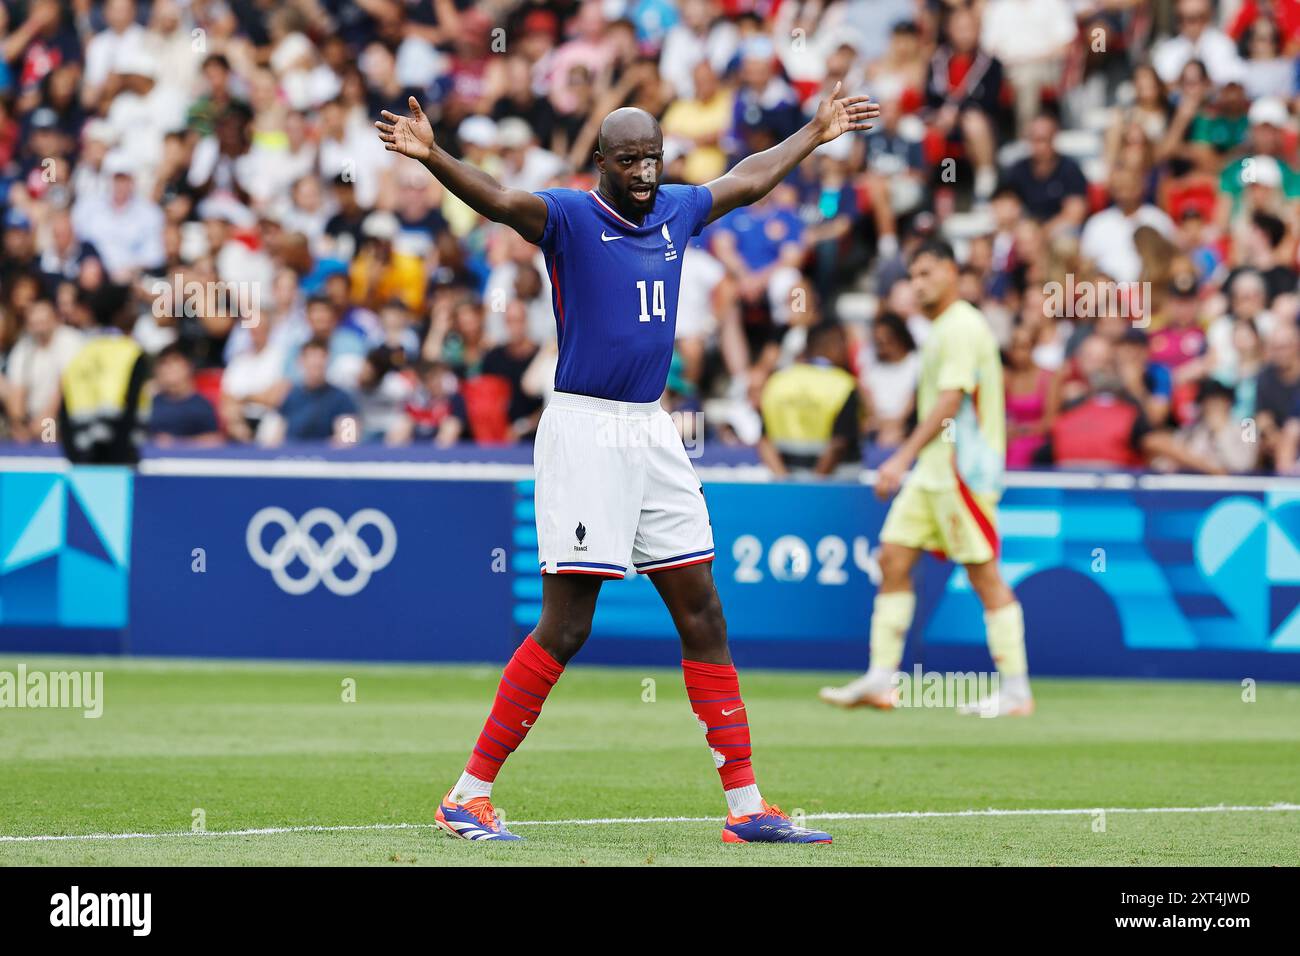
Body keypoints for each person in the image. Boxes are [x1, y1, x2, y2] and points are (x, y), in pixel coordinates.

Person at [375, 82, 877, 843]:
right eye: (631, 159)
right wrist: (434, 154)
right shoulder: (571, 218)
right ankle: (465, 796)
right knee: (567, 627)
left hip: (651, 430)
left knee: (704, 612)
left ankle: (747, 810)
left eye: (654, 157)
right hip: (584, 429)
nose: (645, 171)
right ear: (600, 161)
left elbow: (745, 179)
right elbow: (500, 200)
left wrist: (812, 132)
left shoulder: (677, 208)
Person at [820, 240, 1032, 717]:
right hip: (933, 472)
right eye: (913, 276)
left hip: (962, 474)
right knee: (893, 558)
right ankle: (881, 679)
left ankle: (1017, 690)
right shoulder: (940, 328)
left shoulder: (960, 326)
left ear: (953, 272)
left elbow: (949, 403)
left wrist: (899, 458)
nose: (919, 284)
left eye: (927, 273)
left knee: (983, 575)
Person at [757, 321, 862, 478]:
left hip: (786, 484)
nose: (847, 349)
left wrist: (785, 481)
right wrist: (813, 485)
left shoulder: (777, 382)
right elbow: (838, 445)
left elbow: (764, 442)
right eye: (844, 342)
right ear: (832, 343)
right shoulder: (844, 385)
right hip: (836, 488)